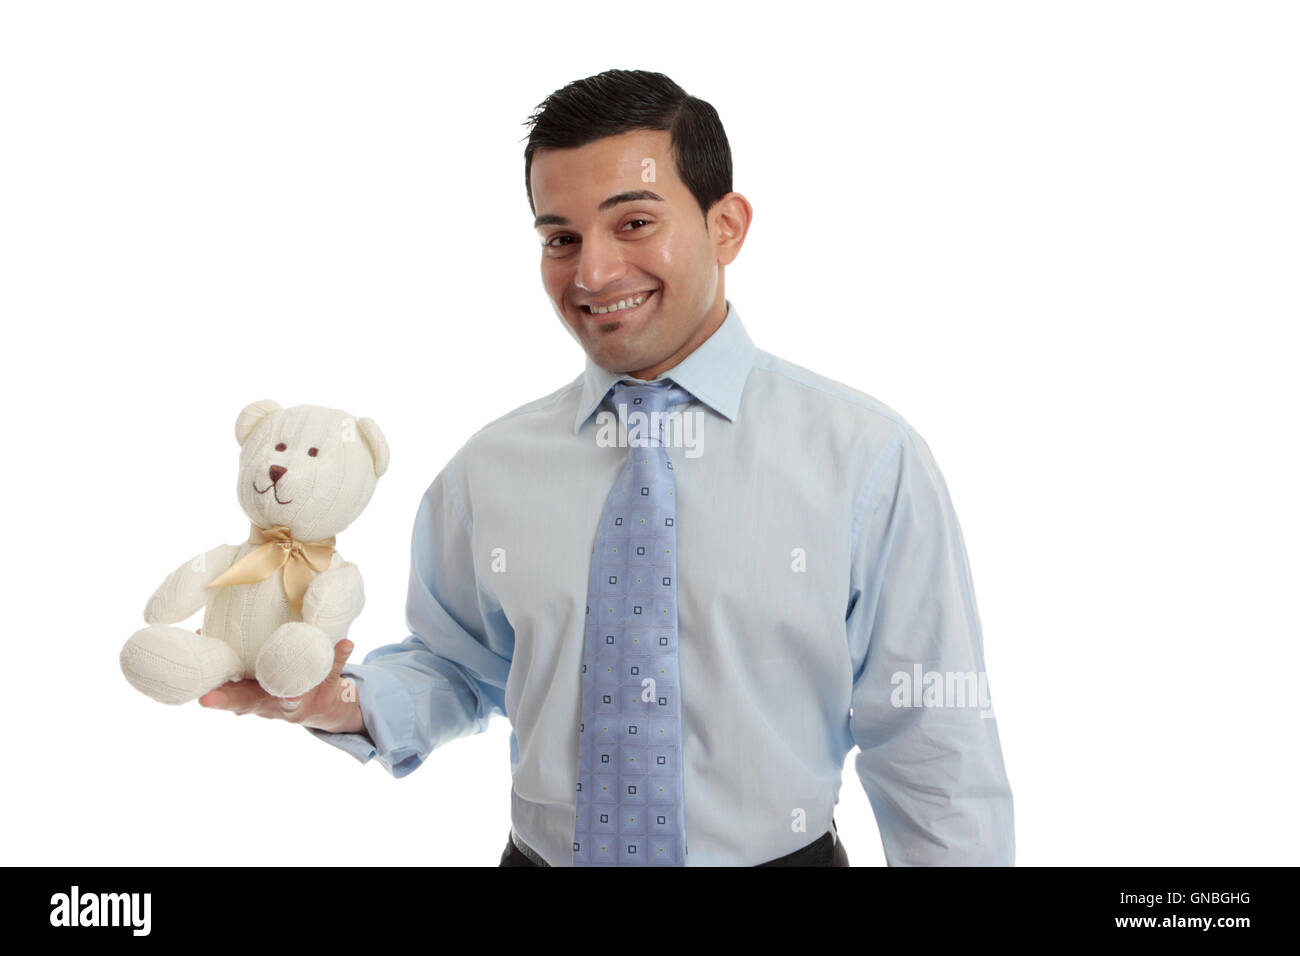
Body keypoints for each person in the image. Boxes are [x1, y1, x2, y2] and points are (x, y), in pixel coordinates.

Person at [199, 69, 1015, 867]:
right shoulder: (489, 468)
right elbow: (455, 662)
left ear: (725, 225)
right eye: (561, 237)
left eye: (632, 224)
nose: (590, 274)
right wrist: (336, 701)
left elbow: (935, 755)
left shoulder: (867, 458)